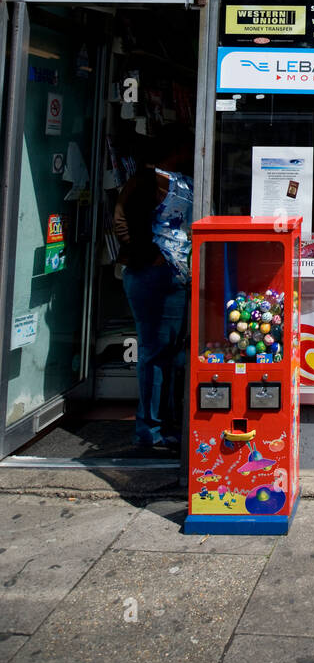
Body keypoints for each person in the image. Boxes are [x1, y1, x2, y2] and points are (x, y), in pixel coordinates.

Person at [114, 124, 194, 454]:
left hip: (174, 277)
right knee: (156, 353)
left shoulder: (181, 179)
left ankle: (165, 425)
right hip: (155, 276)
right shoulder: (147, 180)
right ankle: (150, 431)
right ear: (175, 149)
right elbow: (121, 222)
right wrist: (151, 257)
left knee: (171, 353)